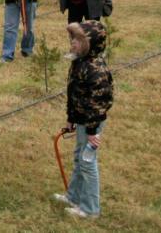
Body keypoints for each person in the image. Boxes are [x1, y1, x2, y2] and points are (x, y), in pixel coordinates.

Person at [53, 20, 113, 218]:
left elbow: (99, 105)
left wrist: (92, 132)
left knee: (87, 161)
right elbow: (74, 93)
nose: (73, 44)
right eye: (73, 39)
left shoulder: (96, 70)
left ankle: (90, 209)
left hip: (91, 125)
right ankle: (73, 196)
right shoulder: (79, 62)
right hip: (81, 120)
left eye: (78, 40)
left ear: (91, 44)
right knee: (79, 157)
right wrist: (71, 118)